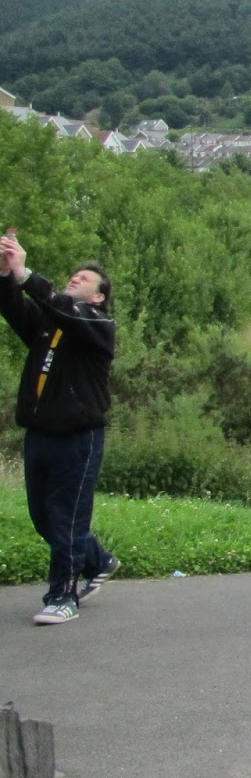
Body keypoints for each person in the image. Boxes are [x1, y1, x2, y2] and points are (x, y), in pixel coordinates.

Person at [0, 233, 118, 624]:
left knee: (66, 517)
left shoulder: (99, 325)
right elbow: (17, 307)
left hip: (78, 437)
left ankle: (63, 597)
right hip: (40, 434)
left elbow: (61, 306)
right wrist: (6, 276)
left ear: (99, 296)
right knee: (43, 516)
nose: (75, 278)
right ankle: (98, 560)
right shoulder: (48, 327)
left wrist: (26, 273)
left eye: (85, 278)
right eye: (74, 275)